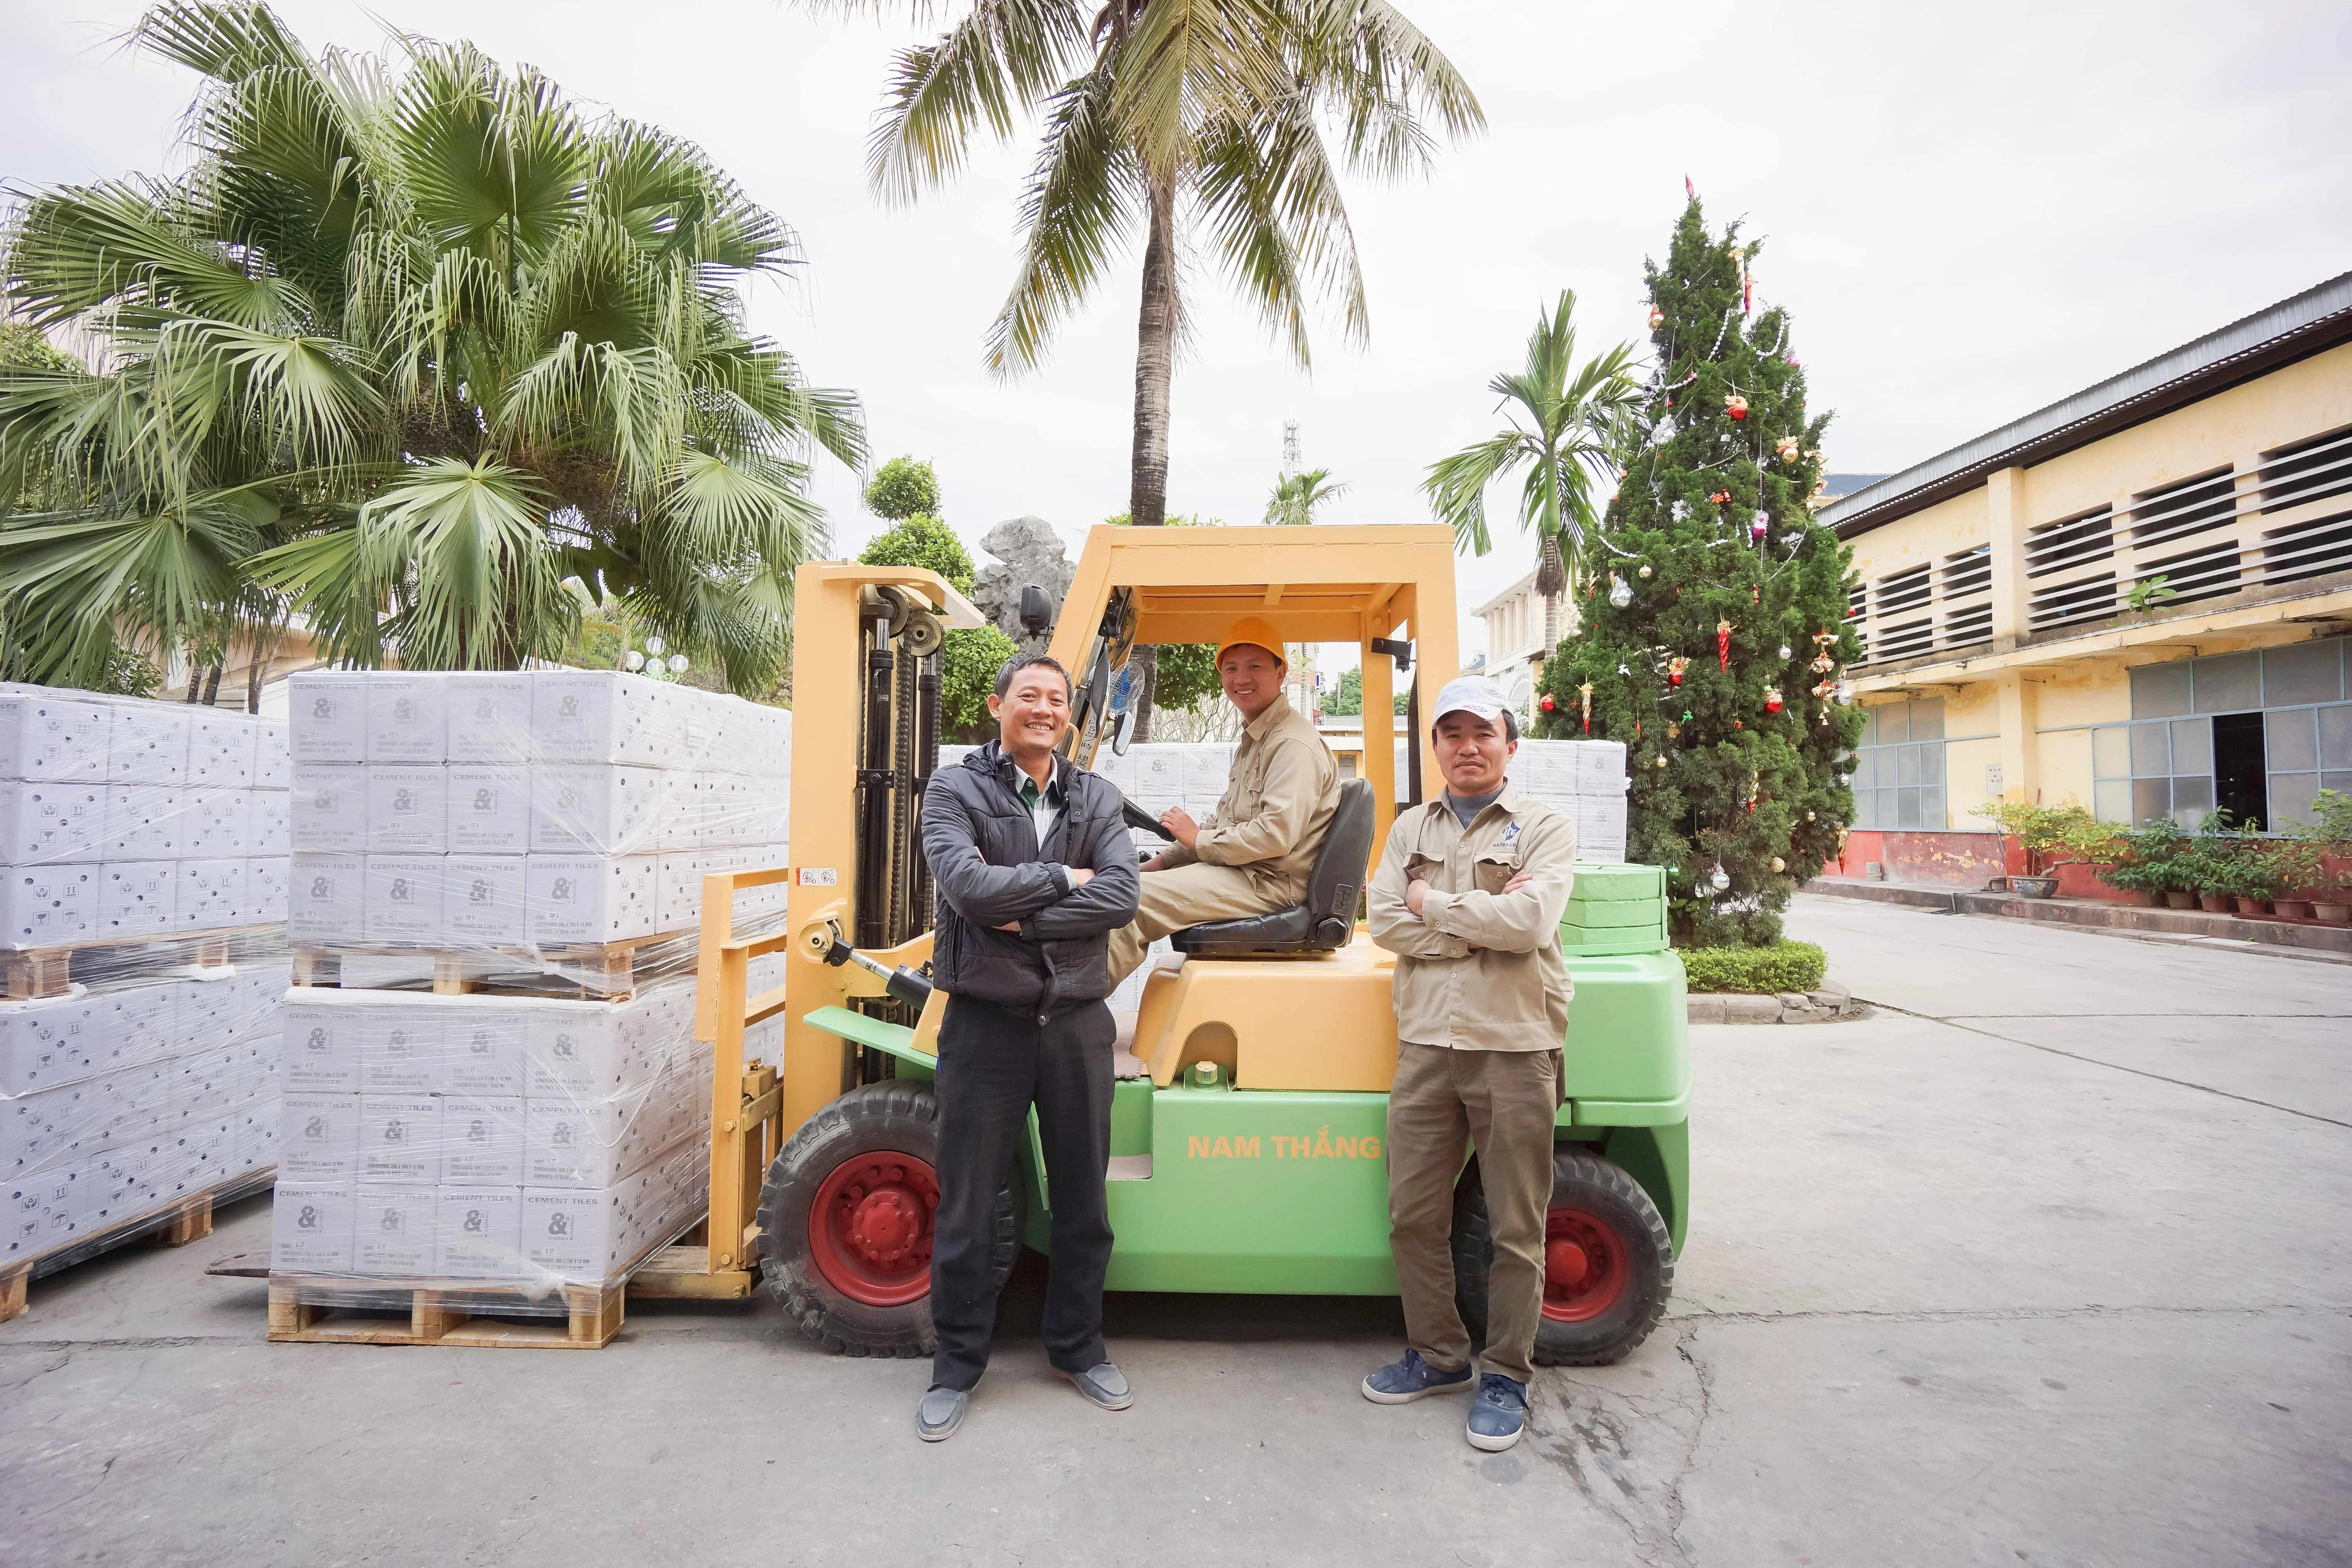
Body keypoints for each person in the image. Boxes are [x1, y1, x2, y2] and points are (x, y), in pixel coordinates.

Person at [915, 653, 1143, 1442]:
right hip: (986, 1022)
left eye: (1055, 698)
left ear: (1066, 715)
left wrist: (1026, 907)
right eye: (1029, 696)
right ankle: (955, 1366)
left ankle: (1079, 1348)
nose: (1044, 708)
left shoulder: (1097, 795)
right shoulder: (955, 788)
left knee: (1084, 1199)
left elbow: (1122, 894)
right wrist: (1064, 879)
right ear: (998, 704)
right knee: (969, 1202)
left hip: (1078, 1021)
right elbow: (966, 888)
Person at [1359, 674, 1577, 1453]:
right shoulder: (1409, 827)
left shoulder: (1544, 826)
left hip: (1515, 1044)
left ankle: (1506, 1374)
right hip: (1426, 1041)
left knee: (1516, 1224)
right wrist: (1469, 922)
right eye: (1452, 734)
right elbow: (1384, 917)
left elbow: (1530, 922)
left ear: (1510, 746)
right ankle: (1440, 1354)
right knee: (1414, 1212)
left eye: (1482, 732)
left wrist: (1434, 905)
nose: (1467, 746)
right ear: (1438, 749)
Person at [1104, 617, 1340, 984]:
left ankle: (1072, 1012)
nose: (1241, 679)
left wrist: (1196, 840)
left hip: (1270, 885)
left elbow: (1275, 835)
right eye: (1231, 669)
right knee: (1125, 884)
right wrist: (1165, 860)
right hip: (1245, 874)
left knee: (1128, 902)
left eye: (1255, 667)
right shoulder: (1258, 739)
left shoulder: (1291, 744)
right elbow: (1224, 826)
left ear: (1281, 673)